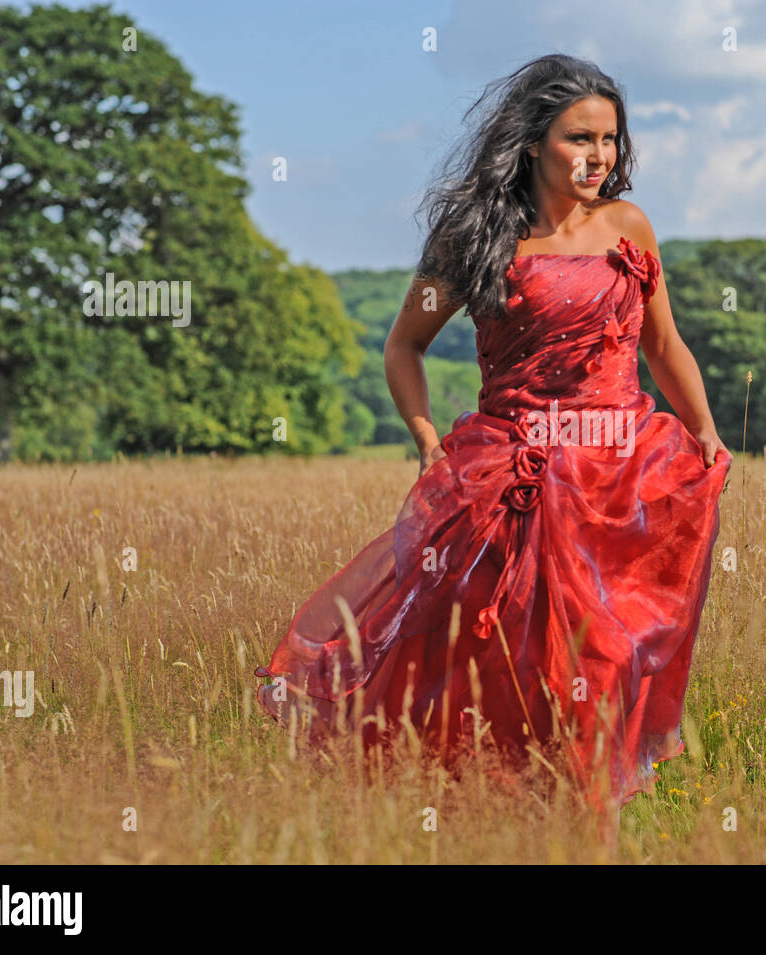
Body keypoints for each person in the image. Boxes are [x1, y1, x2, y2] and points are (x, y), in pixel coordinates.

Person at [256, 54, 729, 814]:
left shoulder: (629, 227)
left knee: (606, 656)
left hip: (620, 474)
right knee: (504, 660)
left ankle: (586, 818)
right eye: (580, 138)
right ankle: (497, 807)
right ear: (535, 140)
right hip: (513, 477)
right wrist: (425, 441)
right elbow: (402, 345)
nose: (598, 156)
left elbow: (664, 347)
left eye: (609, 139)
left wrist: (703, 430)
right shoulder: (476, 237)